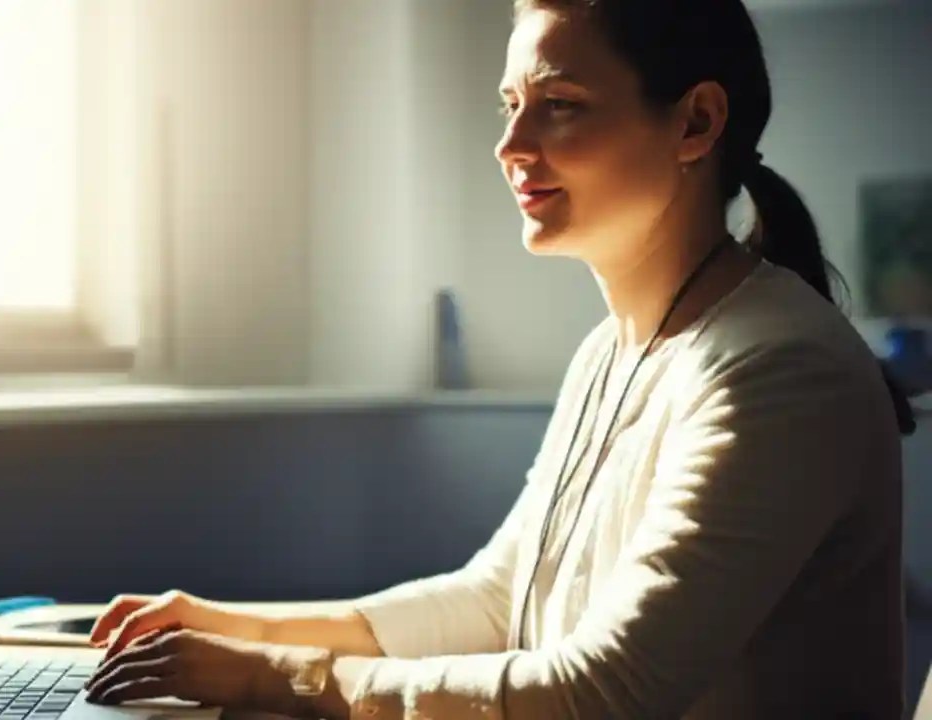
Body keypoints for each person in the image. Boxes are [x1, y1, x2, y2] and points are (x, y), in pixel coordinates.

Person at [80, 0, 914, 717]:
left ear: (695, 122)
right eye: (510, 103)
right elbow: (496, 600)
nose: (510, 143)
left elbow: (605, 694)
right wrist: (232, 627)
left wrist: (280, 676)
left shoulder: (776, 369)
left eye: (560, 104)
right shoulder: (609, 353)